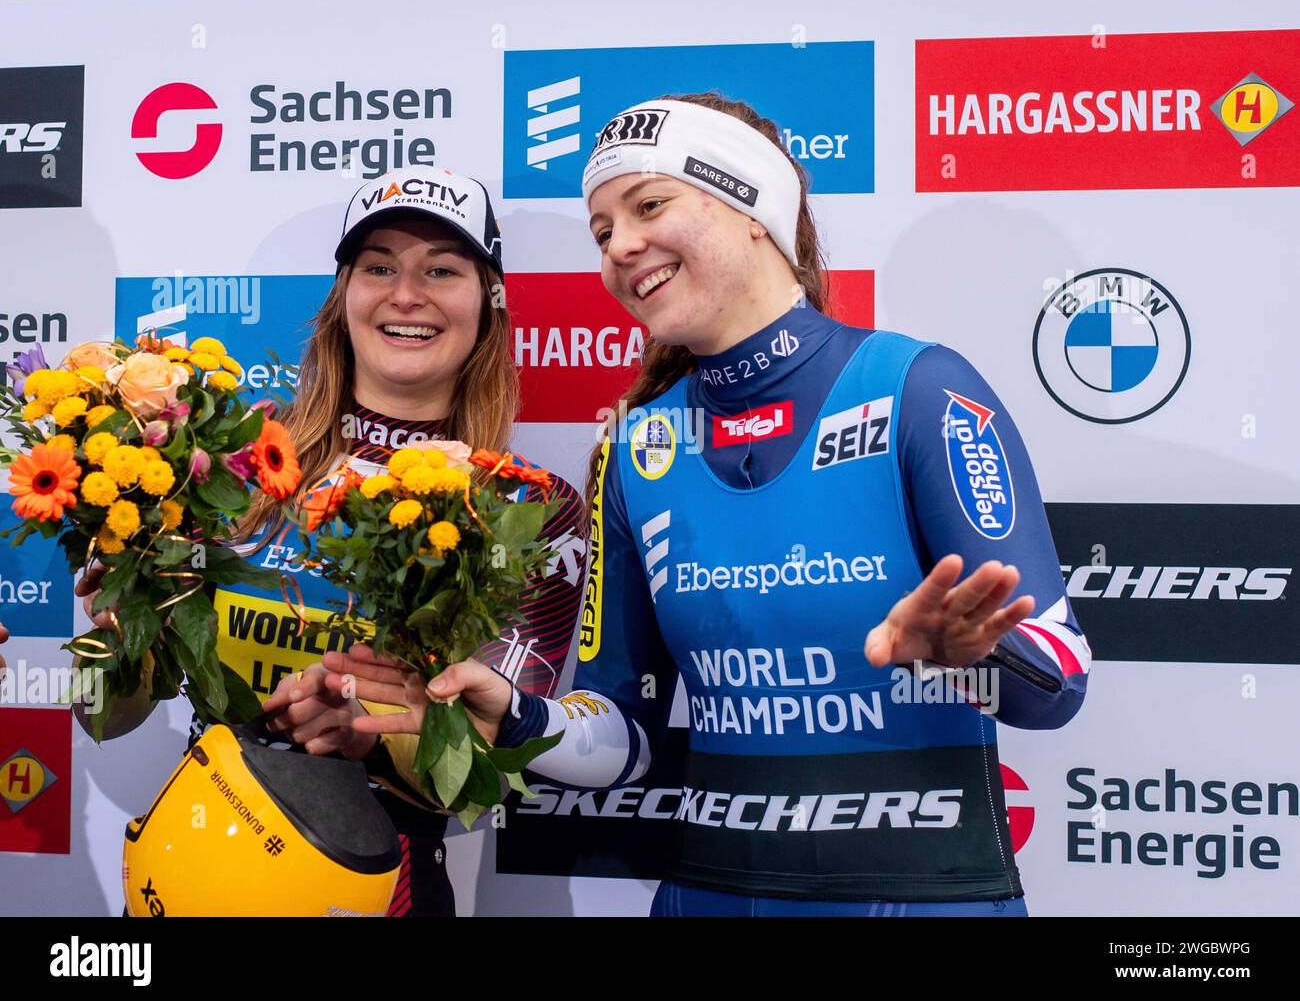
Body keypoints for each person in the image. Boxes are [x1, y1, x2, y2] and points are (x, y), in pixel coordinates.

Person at [325, 94, 1093, 917]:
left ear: (754, 204)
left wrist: (967, 655)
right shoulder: (636, 447)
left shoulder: (920, 389)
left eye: (648, 205)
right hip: (706, 897)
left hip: (926, 899)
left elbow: (1058, 681)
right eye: (601, 230)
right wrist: (515, 714)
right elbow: (628, 737)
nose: (621, 245)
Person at [76, 164, 585, 916]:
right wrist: (118, 636)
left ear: (489, 304)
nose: (405, 294)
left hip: (382, 886)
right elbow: (101, 718)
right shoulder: (234, 460)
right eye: (378, 266)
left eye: (440, 270)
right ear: (343, 296)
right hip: (190, 868)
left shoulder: (526, 506)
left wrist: (367, 729)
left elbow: (475, 779)